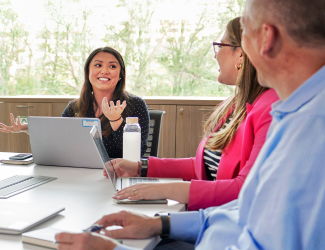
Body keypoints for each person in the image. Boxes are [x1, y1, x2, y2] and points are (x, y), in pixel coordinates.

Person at [56, 0, 325, 249]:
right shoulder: (278, 109)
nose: (215, 55)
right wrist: (160, 222)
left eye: (220, 47)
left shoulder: (306, 125)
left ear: (265, 39)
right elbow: (244, 209)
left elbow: (250, 212)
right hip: (200, 225)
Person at [109, 17, 279, 211]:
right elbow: (200, 166)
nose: (215, 55)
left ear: (240, 55)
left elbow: (244, 190)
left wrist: (163, 190)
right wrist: (139, 167)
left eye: (219, 46)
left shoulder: (270, 107)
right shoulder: (232, 105)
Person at [0, 47, 150, 158]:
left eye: (112, 66)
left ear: (120, 75)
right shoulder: (75, 107)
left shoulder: (135, 104)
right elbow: (59, 137)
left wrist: (116, 120)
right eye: (98, 65)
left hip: (118, 176)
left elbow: (135, 155)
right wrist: (26, 128)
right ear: (88, 73)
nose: (104, 71)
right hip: (79, 173)